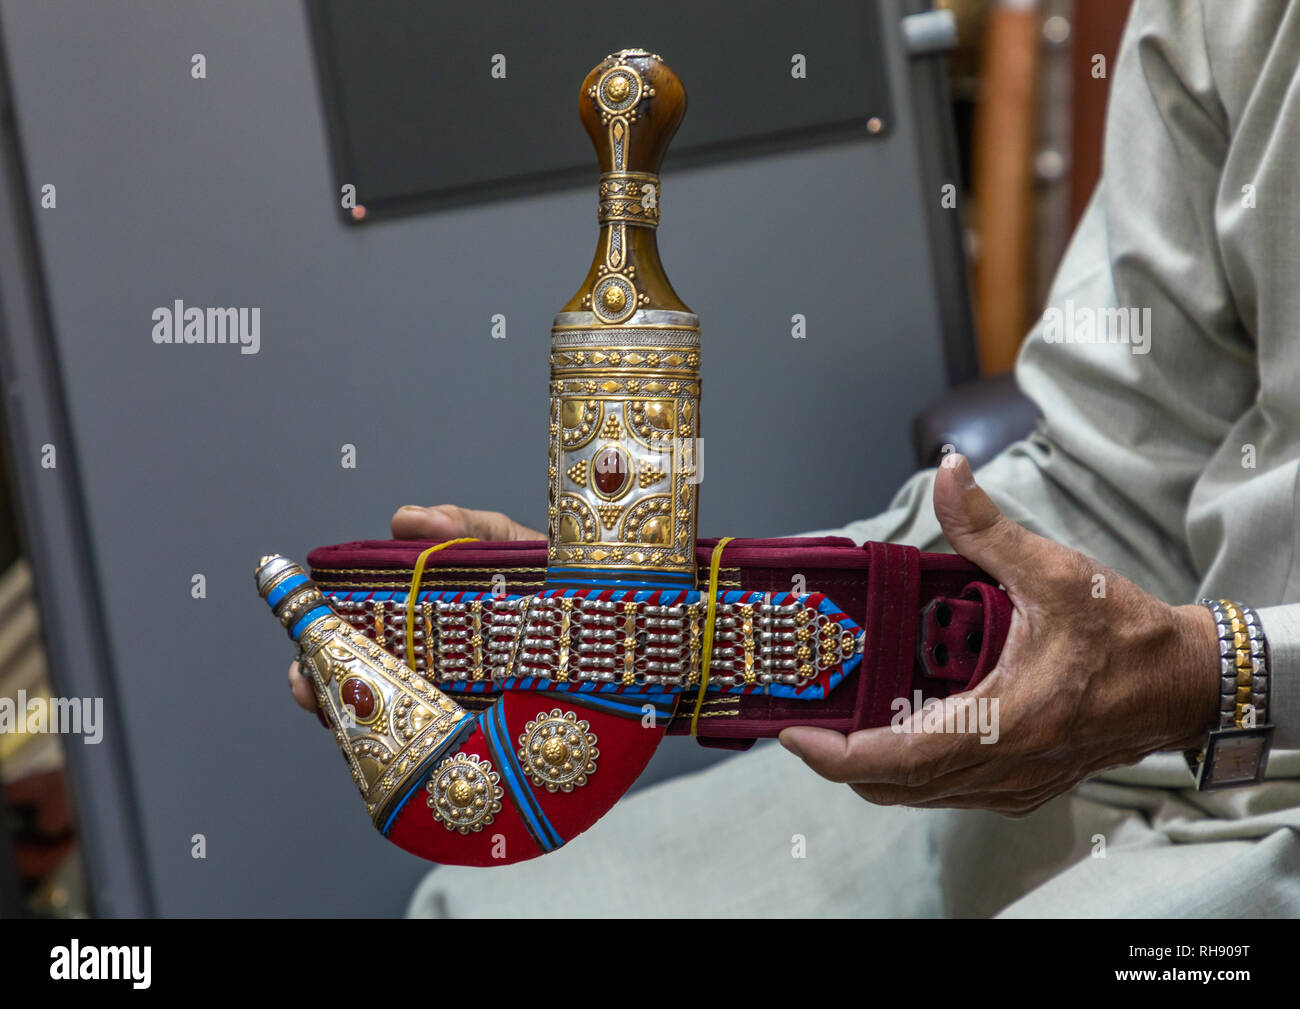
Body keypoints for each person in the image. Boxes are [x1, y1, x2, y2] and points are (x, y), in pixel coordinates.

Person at [289, 0, 1300, 916]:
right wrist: (667, 620)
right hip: (1142, 739)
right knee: (488, 909)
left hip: (1252, 772)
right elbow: (1114, 474)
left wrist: (1215, 675)